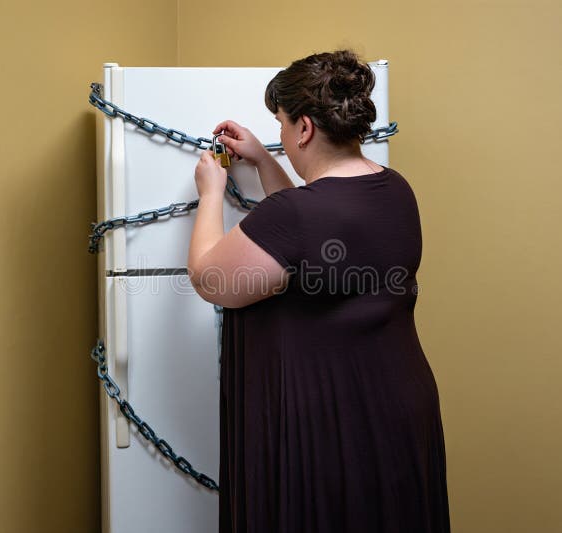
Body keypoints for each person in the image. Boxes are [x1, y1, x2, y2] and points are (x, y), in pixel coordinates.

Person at [187, 49, 450, 533]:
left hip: (325, 426)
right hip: (396, 410)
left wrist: (209, 194)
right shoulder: (394, 189)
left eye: (282, 125)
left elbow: (211, 279)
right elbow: (308, 234)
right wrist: (266, 160)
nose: (282, 136)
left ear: (305, 128)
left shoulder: (295, 216)